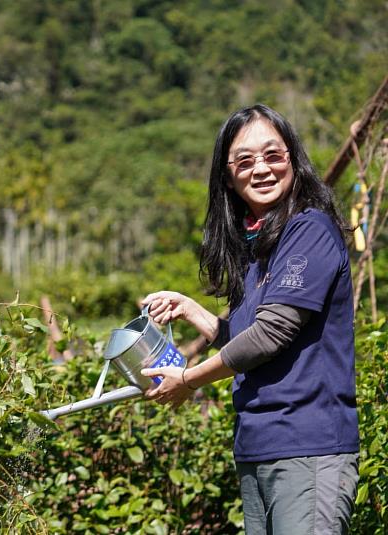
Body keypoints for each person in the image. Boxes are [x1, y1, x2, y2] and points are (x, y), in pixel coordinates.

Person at [140, 104, 359, 534]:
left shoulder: (308, 229)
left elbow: (270, 336)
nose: (260, 169)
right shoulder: (258, 249)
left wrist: (188, 379)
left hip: (307, 449)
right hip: (259, 448)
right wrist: (193, 311)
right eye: (244, 160)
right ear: (227, 176)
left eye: (273, 156)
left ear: (293, 161)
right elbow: (248, 339)